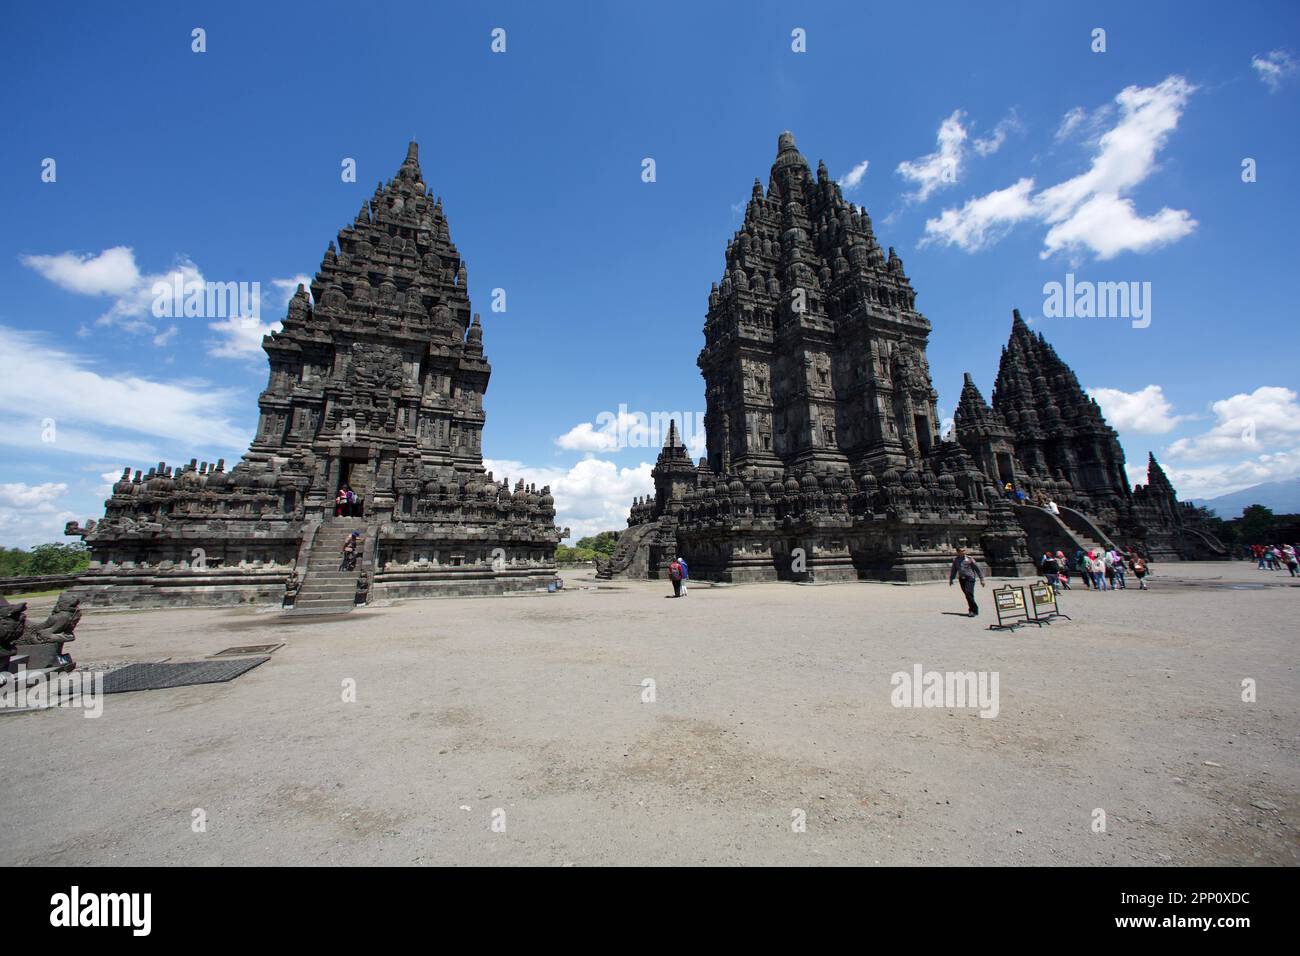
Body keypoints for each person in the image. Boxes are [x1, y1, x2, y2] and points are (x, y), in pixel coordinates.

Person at [948, 546, 986, 617]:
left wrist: (982, 579)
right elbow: (954, 570)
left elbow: (977, 569)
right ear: (958, 552)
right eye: (962, 551)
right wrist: (951, 579)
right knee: (967, 595)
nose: (964, 552)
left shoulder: (969, 559)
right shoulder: (956, 560)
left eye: (964, 550)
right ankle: (974, 609)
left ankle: (972, 610)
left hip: (970, 578)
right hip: (962, 579)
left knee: (968, 593)